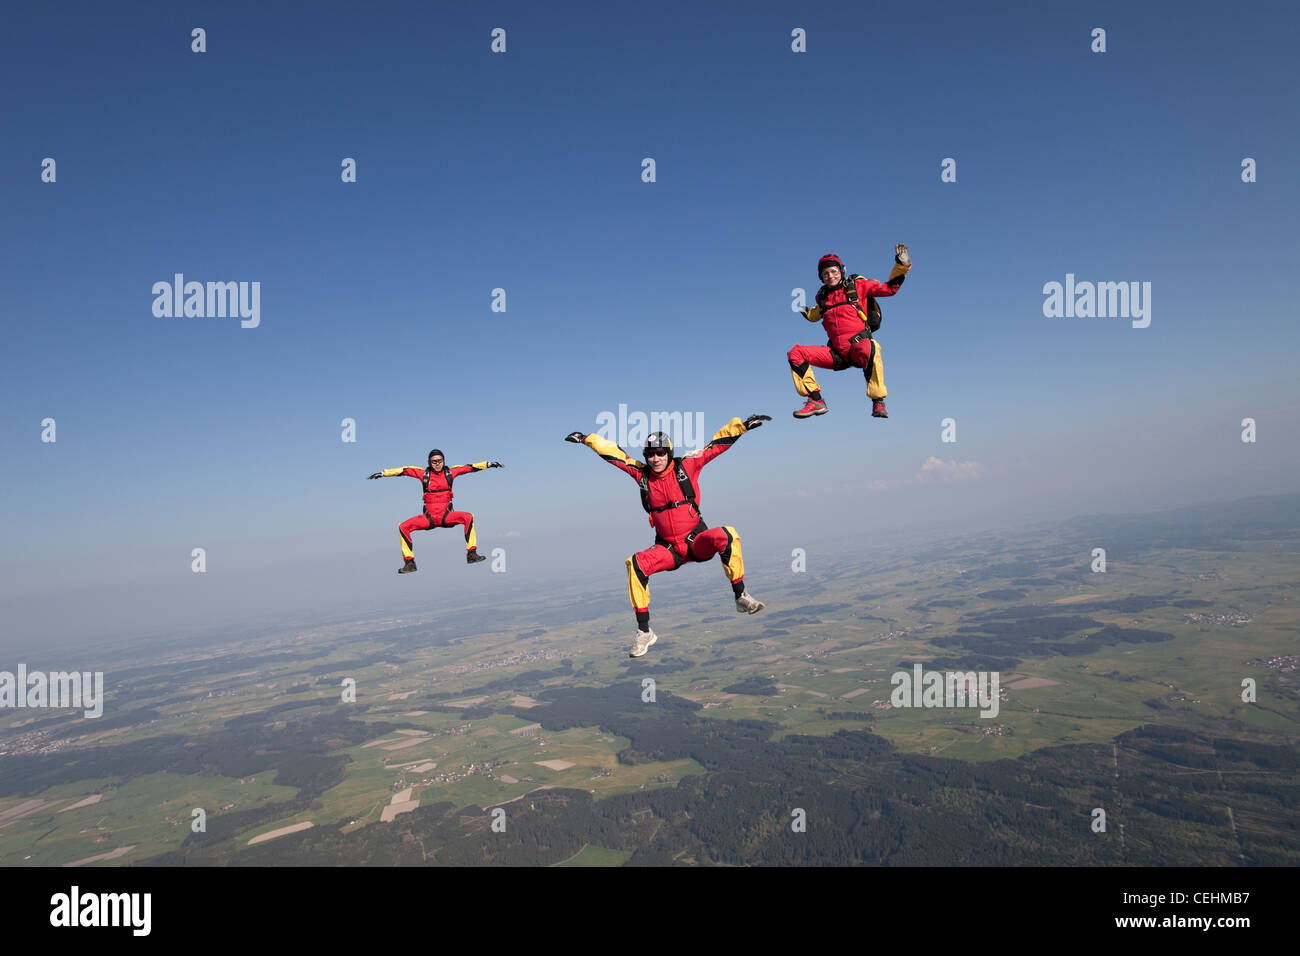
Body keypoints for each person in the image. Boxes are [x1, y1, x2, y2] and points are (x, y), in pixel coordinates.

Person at [565, 415, 770, 658]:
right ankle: (644, 632)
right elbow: (615, 455)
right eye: (650, 454)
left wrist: (742, 427)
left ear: (669, 453)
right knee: (636, 563)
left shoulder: (687, 466)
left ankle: (740, 596)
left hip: (696, 541)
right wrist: (588, 439)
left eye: (661, 453)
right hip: (668, 550)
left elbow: (714, 446)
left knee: (727, 535)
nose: (655, 459)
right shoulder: (642, 475)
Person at [788, 244, 911, 419]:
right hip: (836, 354)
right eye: (825, 274)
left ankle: (878, 400)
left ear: (841, 271)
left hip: (857, 347)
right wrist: (801, 308)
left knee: (870, 346)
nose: (830, 276)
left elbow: (889, 289)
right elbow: (815, 315)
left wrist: (902, 266)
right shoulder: (822, 297)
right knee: (796, 352)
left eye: (834, 271)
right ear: (821, 277)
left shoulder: (858, 286)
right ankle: (816, 400)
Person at [367, 450, 502, 572]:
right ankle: (409, 563)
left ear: (444, 461)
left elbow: (469, 468)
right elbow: (405, 470)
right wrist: (383, 473)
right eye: (434, 461)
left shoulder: (450, 473)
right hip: (429, 518)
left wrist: (489, 464)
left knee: (468, 517)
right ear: (429, 462)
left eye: (440, 461)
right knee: (403, 527)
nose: (437, 464)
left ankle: (471, 554)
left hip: (446, 516)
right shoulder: (423, 474)